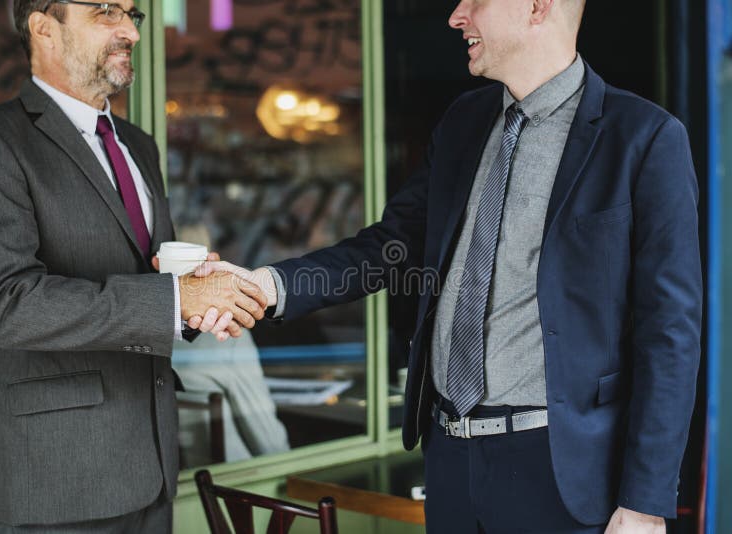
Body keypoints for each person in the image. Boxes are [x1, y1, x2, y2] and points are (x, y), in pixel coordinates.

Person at [197, 0, 702, 532]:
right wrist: (267, 286)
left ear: (536, 7)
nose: (457, 16)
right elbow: (389, 246)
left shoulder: (644, 138)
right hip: (450, 461)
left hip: (564, 472)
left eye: (475, 1)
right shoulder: (463, 121)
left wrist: (644, 501)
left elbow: (669, 333)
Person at [0, 0, 267, 532]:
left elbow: (153, 288)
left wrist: (195, 304)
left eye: (132, 16)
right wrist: (177, 299)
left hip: (155, 467)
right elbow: (8, 305)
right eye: (106, 11)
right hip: (58, 483)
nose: (131, 32)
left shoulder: (139, 145)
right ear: (44, 27)